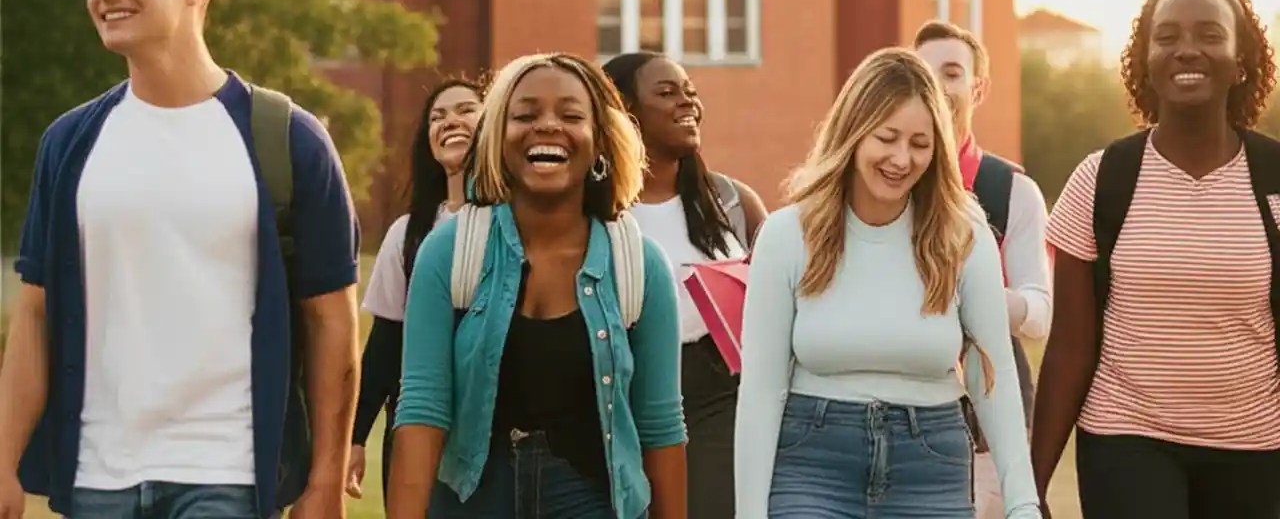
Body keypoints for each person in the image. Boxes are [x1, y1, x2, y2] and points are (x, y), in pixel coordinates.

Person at [0, 0, 360, 519]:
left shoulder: (287, 139)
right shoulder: (69, 144)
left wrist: (325, 477)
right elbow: (34, 316)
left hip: (228, 475)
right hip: (96, 478)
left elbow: (333, 321)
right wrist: (2, 463)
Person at [735, 47, 1041, 519]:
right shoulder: (786, 234)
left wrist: (1023, 504)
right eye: (887, 137)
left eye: (921, 143)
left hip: (930, 463)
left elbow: (992, 377)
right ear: (853, 133)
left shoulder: (964, 235)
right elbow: (761, 389)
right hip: (811, 466)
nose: (902, 159)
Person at [386, 53, 688, 519]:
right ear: (496, 140)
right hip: (472, 502)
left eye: (571, 116)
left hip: (596, 503)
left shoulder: (641, 266)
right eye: (525, 115)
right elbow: (423, 407)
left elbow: (661, 425)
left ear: (600, 144)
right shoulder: (449, 252)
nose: (547, 127)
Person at [1031, 0, 1280, 519]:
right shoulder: (1100, 180)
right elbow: (1070, 347)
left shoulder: (1275, 180)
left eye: (1210, 34)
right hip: (1127, 438)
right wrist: (1032, 484)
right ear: (1145, 59)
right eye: (1166, 37)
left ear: (1241, 60)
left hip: (1258, 448)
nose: (1187, 48)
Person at [602, 51, 768, 519]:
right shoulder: (597, 213)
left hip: (718, 397)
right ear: (624, 110)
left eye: (690, 91)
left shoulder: (733, 202)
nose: (687, 102)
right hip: (623, 396)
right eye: (667, 92)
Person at [914, 21, 1053, 519]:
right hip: (901, 393)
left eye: (952, 73)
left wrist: (976, 295)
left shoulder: (1010, 190)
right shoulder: (880, 179)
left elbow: (1039, 314)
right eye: (925, 73)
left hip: (991, 398)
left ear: (978, 88)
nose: (939, 87)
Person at [345, 77, 485, 505]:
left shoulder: (521, 227)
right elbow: (386, 344)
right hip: (415, 432)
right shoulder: (409, 235)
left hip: (493, 431)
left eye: (465, 110)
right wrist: (355, 437)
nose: (450, 122)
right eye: (437, 117)